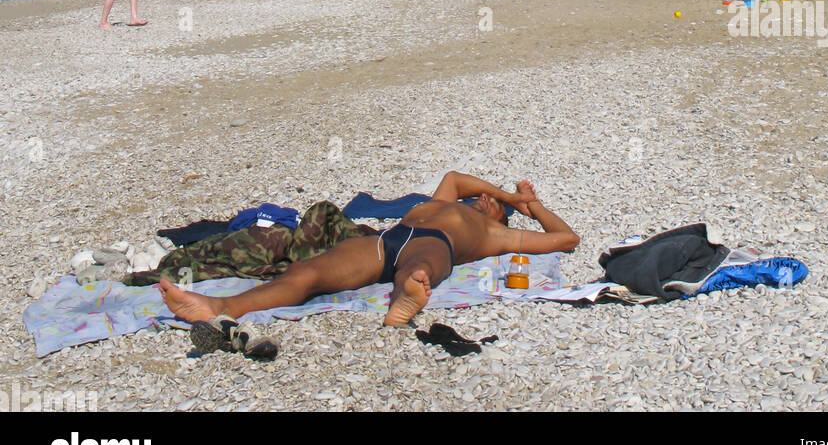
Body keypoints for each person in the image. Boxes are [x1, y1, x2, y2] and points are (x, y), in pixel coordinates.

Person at [159, 172, 578, 332]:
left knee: (417, 269)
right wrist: (504, 192)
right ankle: (219, 305)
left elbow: (566, 239)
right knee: (306, 275)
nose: (488, 203)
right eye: (487, 199)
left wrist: (530, 206)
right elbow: (456, 176)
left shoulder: (496, 235)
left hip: (436, 247)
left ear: (504, 219)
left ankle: (404, 300)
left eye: (497, 208)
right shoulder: (445, 200)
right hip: (382, 242)